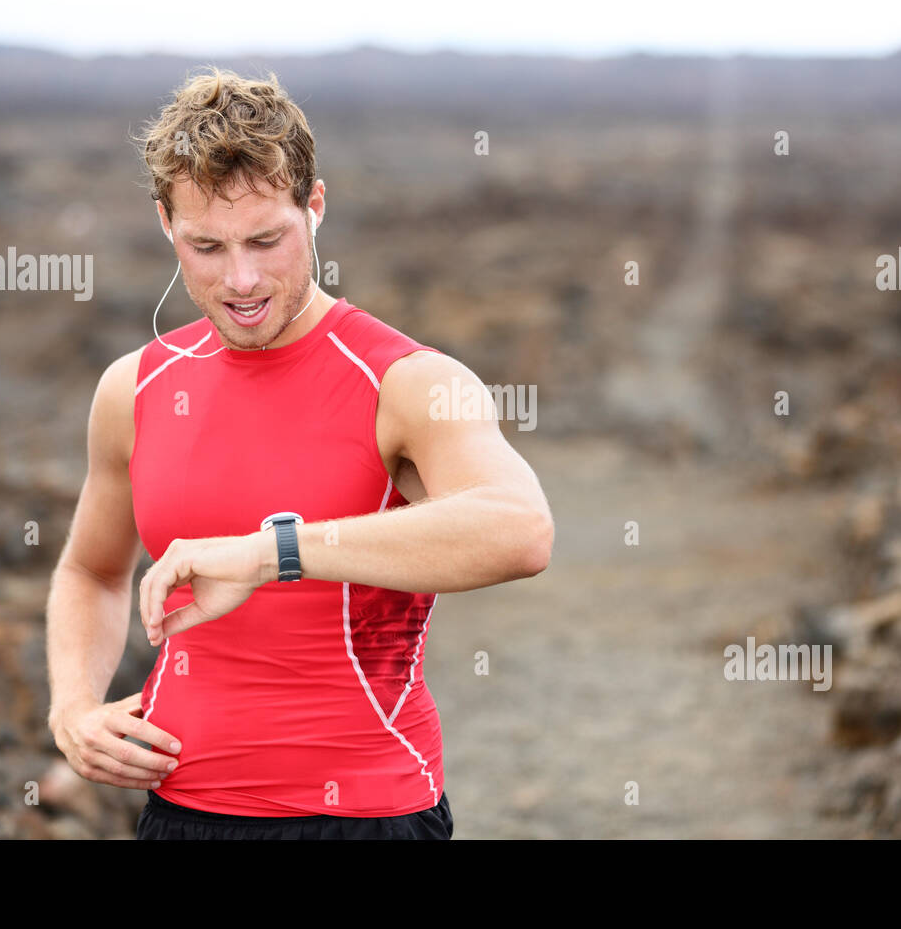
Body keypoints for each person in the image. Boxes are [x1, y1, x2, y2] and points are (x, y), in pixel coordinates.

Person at [44, 67, 553, 840]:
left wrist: (270, 553)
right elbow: (92, 569)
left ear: (314, 206)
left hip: (365, 815)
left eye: (266, 240)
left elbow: (520, 531)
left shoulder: (404, 382)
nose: (241, 279)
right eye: (205, 246)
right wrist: (73, 707)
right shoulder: (135, 388)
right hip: (182, 813)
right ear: (164, 223)